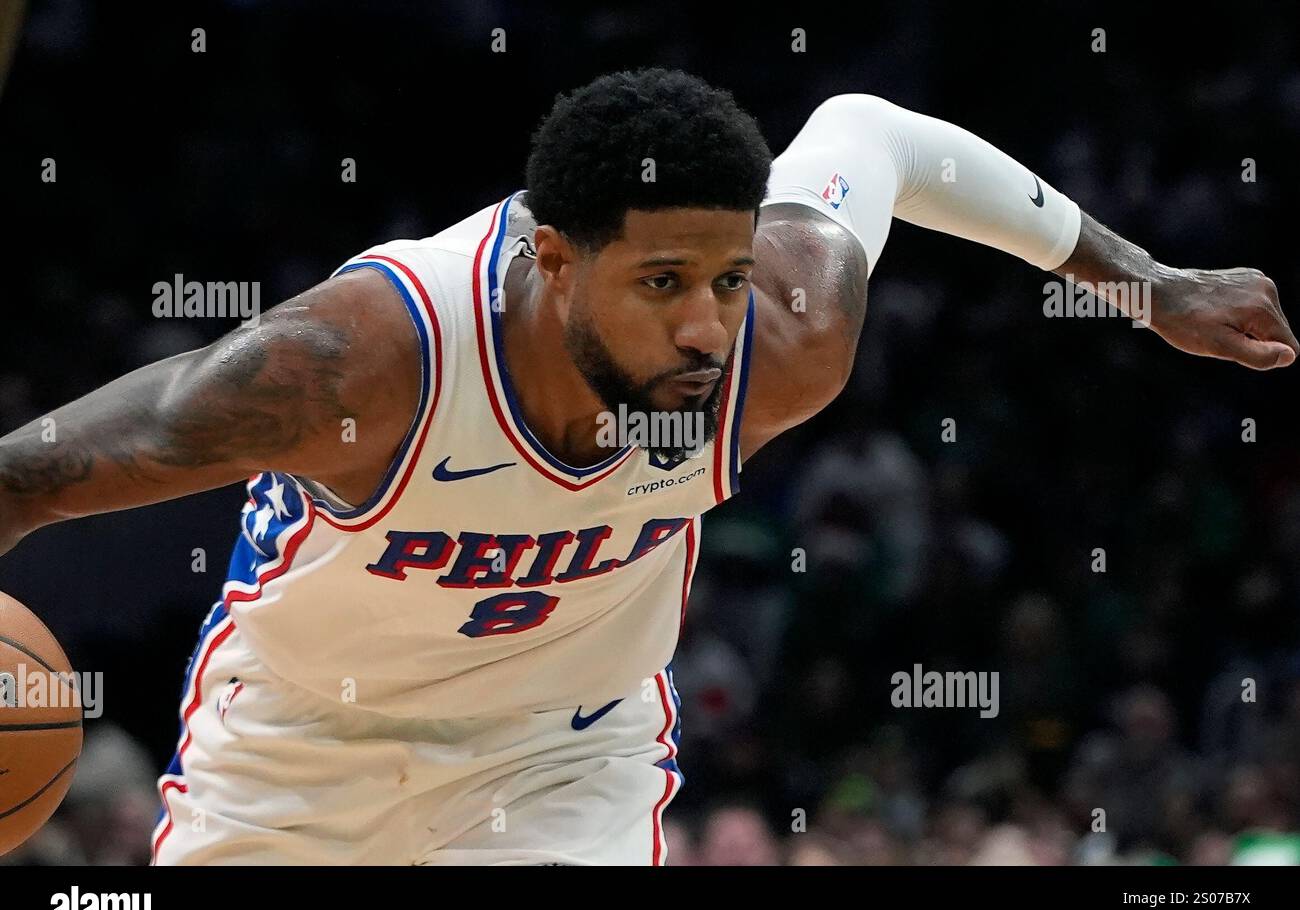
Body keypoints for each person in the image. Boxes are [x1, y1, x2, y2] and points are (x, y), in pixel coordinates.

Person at [0, 68, 1292, 865]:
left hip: (557, 757)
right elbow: (31, 476)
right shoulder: (362, 364)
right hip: (291, 754)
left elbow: (874, 133)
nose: (701, 327)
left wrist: (1146, 286)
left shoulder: (778, 340)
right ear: (551, 260)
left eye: (725, 278)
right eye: (661, 283)